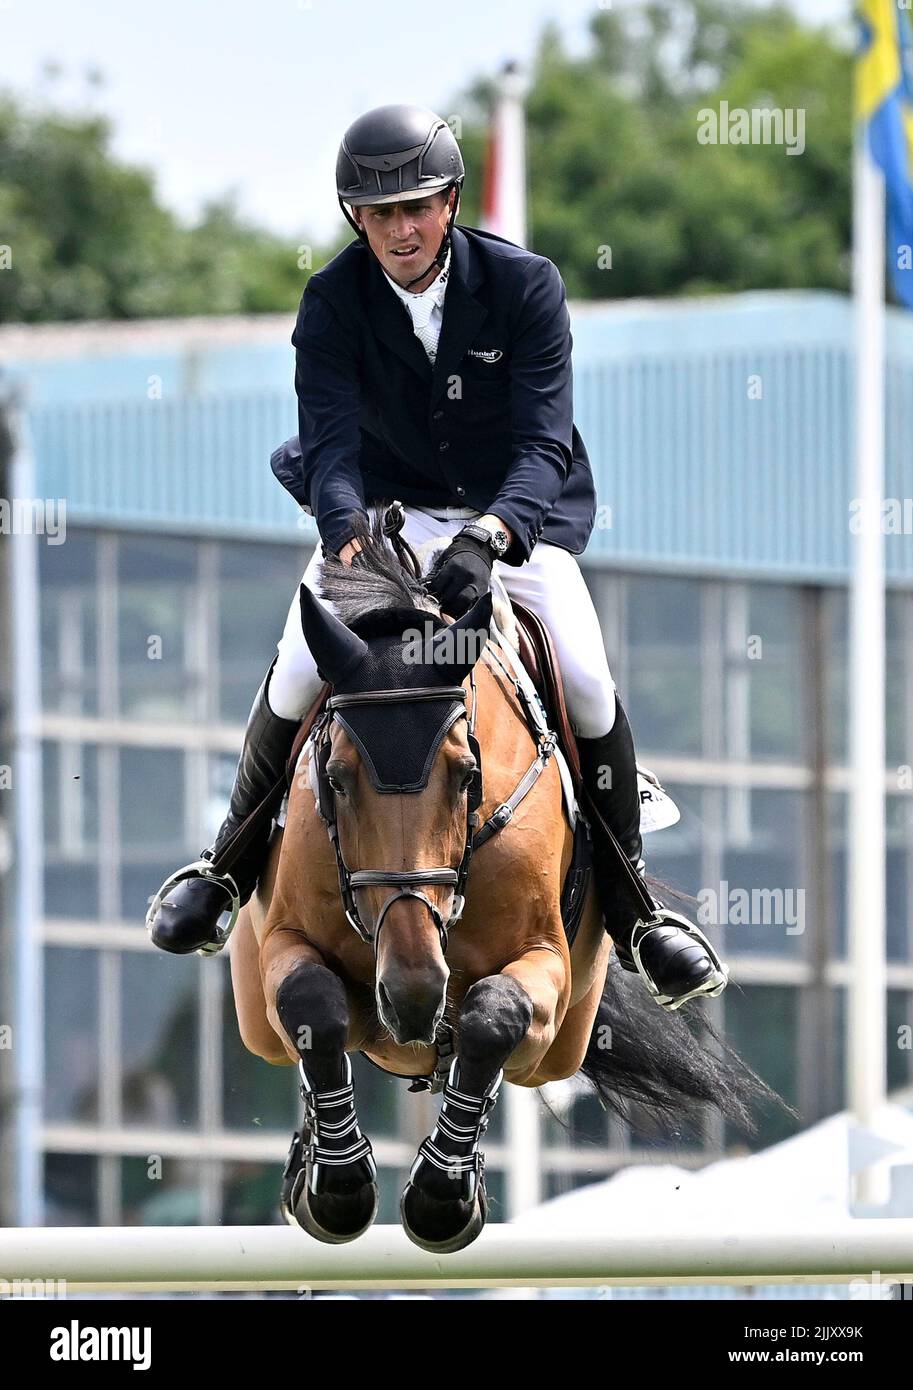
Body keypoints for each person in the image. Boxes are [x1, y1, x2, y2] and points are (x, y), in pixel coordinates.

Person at [148, 104, 727, 1010]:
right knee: (301, 668)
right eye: (379, 215)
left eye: (416, 207)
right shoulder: (333, 302)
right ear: (356, 220)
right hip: (381, 521)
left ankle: (633, 906)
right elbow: (330, 448)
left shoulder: (524, 285)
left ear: (450, 201)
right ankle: (224, 867)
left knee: (581, 674)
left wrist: (491, 537)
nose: (400, 230)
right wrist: (347, 534)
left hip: (510, 518)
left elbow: (543, 444)